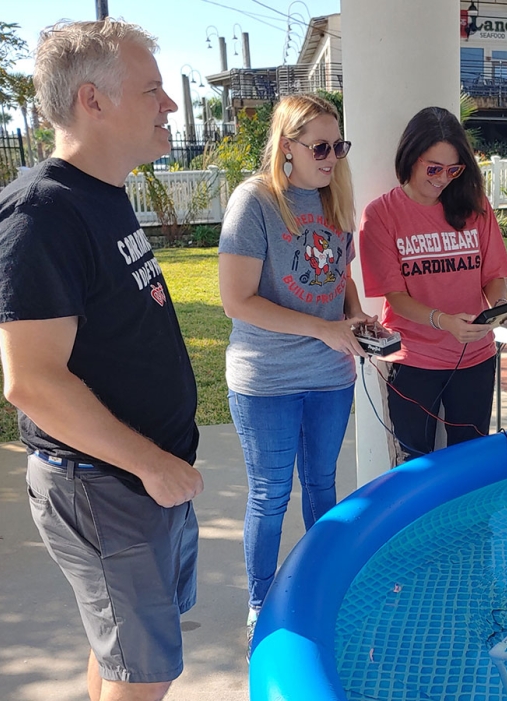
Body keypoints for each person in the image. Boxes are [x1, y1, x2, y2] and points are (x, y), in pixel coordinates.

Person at [0, 20, 201, 701]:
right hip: (105, 485)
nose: (169, 106)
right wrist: (151, 463)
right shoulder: (39, 215)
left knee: (121, 654)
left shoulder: (100, 195)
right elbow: (33, 382)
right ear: (92, 102)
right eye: (153, 90)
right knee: (146, 669)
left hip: (129, 481)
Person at [217, 94, 370, 646]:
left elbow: (341, 278)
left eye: (339, 146)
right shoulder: (253, 201)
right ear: (287, 147)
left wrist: (353, 316)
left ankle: (320, 585)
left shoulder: (336, 201)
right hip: (268, 379)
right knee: (270, 494)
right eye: (322, 147)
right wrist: (324, 329)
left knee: (323, 485)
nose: (333, 158)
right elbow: (237, 300)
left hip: (331, 375)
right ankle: (260, 602)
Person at [359, 106, 507, 463]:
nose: (442, 178)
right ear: (410, 158)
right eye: (433, 168)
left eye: (453, 169)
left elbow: (494, 275)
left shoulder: (474, 206)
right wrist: (443, 321)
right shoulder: (381, 214)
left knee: (472, 463)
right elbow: (396, 298)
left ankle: (470, 523)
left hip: (476, 357)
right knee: (414, 466)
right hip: (413, 362)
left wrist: (499, 308)